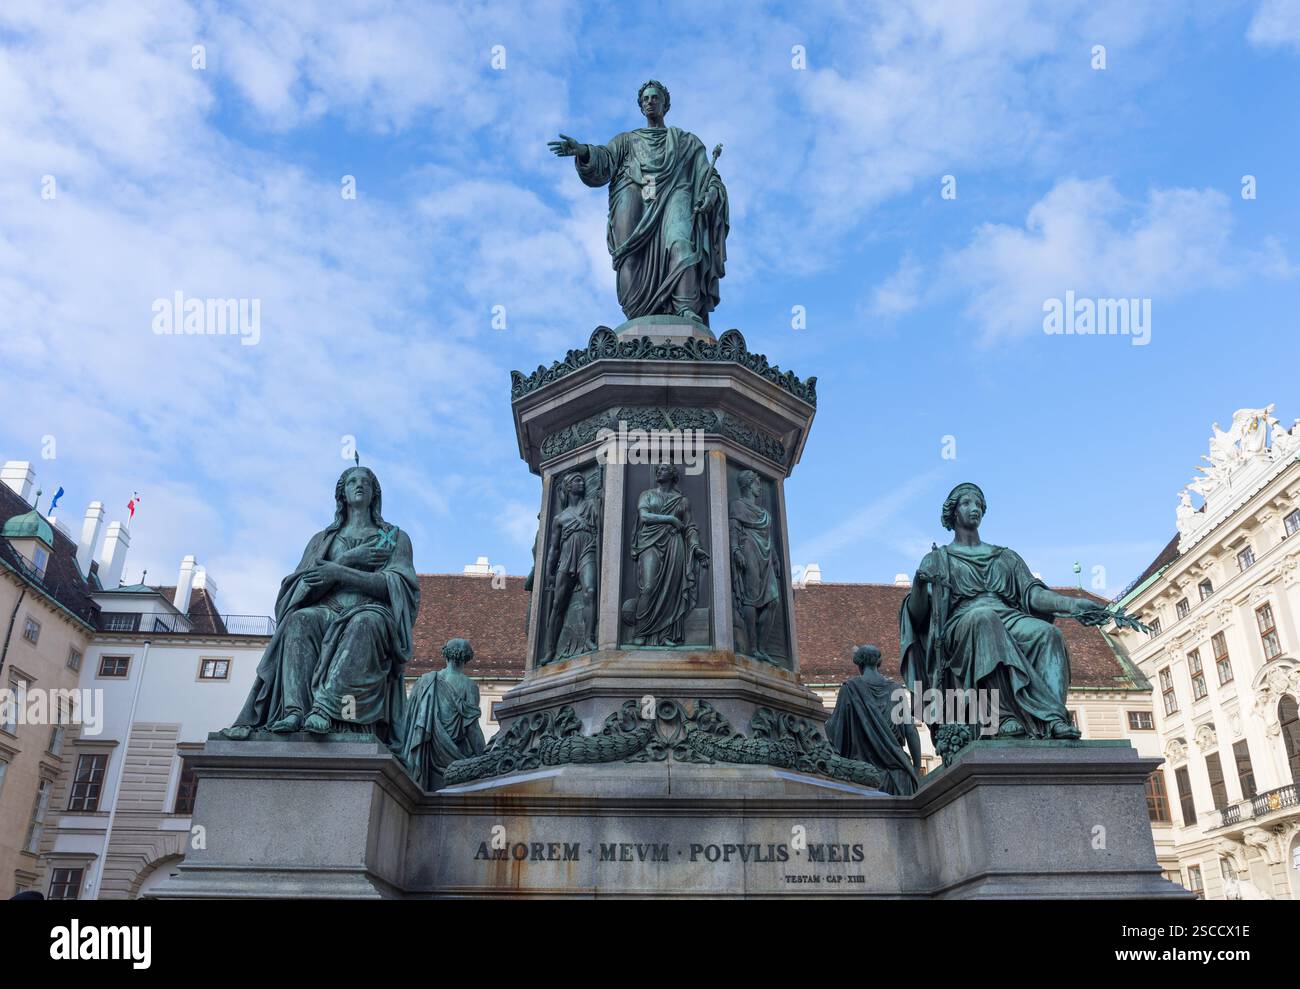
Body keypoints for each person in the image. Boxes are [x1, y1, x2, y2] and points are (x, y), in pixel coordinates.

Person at [222, 466, 419, 743]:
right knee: (299, 620)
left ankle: (325, 708)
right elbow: (299, 590)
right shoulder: (321, 541)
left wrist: (340, 573)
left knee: (364, 623)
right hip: (327, 608)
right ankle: (294, 711)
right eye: (352, 481)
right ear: (342, 494)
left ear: (375, 493)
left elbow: (396, 587)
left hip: (370, 610)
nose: (359, 485)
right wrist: (348, 560)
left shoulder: (395, 537)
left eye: (366, 481)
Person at [900, 482, 1103, 741]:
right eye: (967, 503)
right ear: (953, 512)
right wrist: (918, 583)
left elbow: (1033, 594)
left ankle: (1052, 719)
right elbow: (918, 615)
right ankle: (1000, 716)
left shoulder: (1006, 557)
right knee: (985, 619)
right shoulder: (939, 559)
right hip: (963, 623)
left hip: (1008, 616)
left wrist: (1072, 604)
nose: (974, 509)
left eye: (979, 505)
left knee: (1048, 634)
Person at [548, 79, 728, 324]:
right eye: (645, 99)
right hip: (635, 198)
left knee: (681, 244)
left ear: (665, 104)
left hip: (676, 195)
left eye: (655, 97)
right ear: (641, 107)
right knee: (628, 256)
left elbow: (708, 176)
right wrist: (584, 151)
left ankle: (685, 309)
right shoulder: (626, 141)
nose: (650, 102)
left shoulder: (686, 142)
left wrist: (711, 194)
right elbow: (605, 160)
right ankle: (637, 316)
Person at [625, 463, 709, 646]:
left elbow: (691, 527)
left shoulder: (682, 501)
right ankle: (641, 631)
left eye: (663, 469)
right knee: (648, 586)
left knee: (671, 591)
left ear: (672, 475)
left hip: (674, 544)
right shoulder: (647, 495)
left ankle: (665, 635)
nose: (659, 471)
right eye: (658, 469)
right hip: (650, 543)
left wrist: (696, 547)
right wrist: (670, 519)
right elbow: (644, 517)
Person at [826, 645, 921, 796]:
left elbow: (834, 732)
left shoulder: (850, 689)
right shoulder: (896, 689)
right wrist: (916, 767)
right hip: (898, 774)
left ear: (859, 664)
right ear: (879, 662)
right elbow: (911, 731)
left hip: (862, 776)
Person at [397, 638, 486, 791]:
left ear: (445, 655)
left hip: (425, 751)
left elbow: (408, 720)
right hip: (454, 757)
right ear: (467, 658)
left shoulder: (424, 681)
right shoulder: (469, 686)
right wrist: (484, 757)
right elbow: (472, 728)